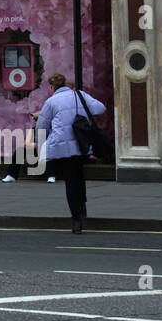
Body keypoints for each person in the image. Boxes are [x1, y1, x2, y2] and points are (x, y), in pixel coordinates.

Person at [35, 72, 106, 233]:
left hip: (62, 146)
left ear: (52, 87)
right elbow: (101, 108)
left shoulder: (51, 102)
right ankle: (82, 207)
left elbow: (41, 126)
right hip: (83, 144)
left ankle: (76, 220)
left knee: (71, 181)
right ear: (66, 84)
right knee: (79, 176)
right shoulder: (79, 95)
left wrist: (41, 145)